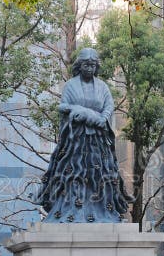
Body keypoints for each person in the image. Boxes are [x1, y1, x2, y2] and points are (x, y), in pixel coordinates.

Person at [37, 48, 131, 223]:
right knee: (73, 172)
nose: (89, 68)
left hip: (97, 138)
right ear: (80, 65)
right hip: (76, 139)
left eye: (93, 65)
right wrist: (79, 110)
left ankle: (103, 209)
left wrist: (101, 118)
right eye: (86, 64)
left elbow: (109, 106)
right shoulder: (71, 85)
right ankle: (69, 209)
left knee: (101, 173)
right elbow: (62, 106)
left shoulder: (102, 86)